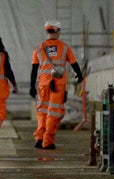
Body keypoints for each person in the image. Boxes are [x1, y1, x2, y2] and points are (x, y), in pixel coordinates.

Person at [29, 20, 82, 150]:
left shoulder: (38, 48)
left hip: (43, 85)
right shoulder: (64, 47)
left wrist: (32, 86)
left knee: (42, 111)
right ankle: (47, 141)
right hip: (57, 85)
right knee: (54, 112)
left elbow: (34, 69)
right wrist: (79, 75)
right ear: (57, 31)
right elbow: (74, 64)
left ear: (47, 31)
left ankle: (39, 138)